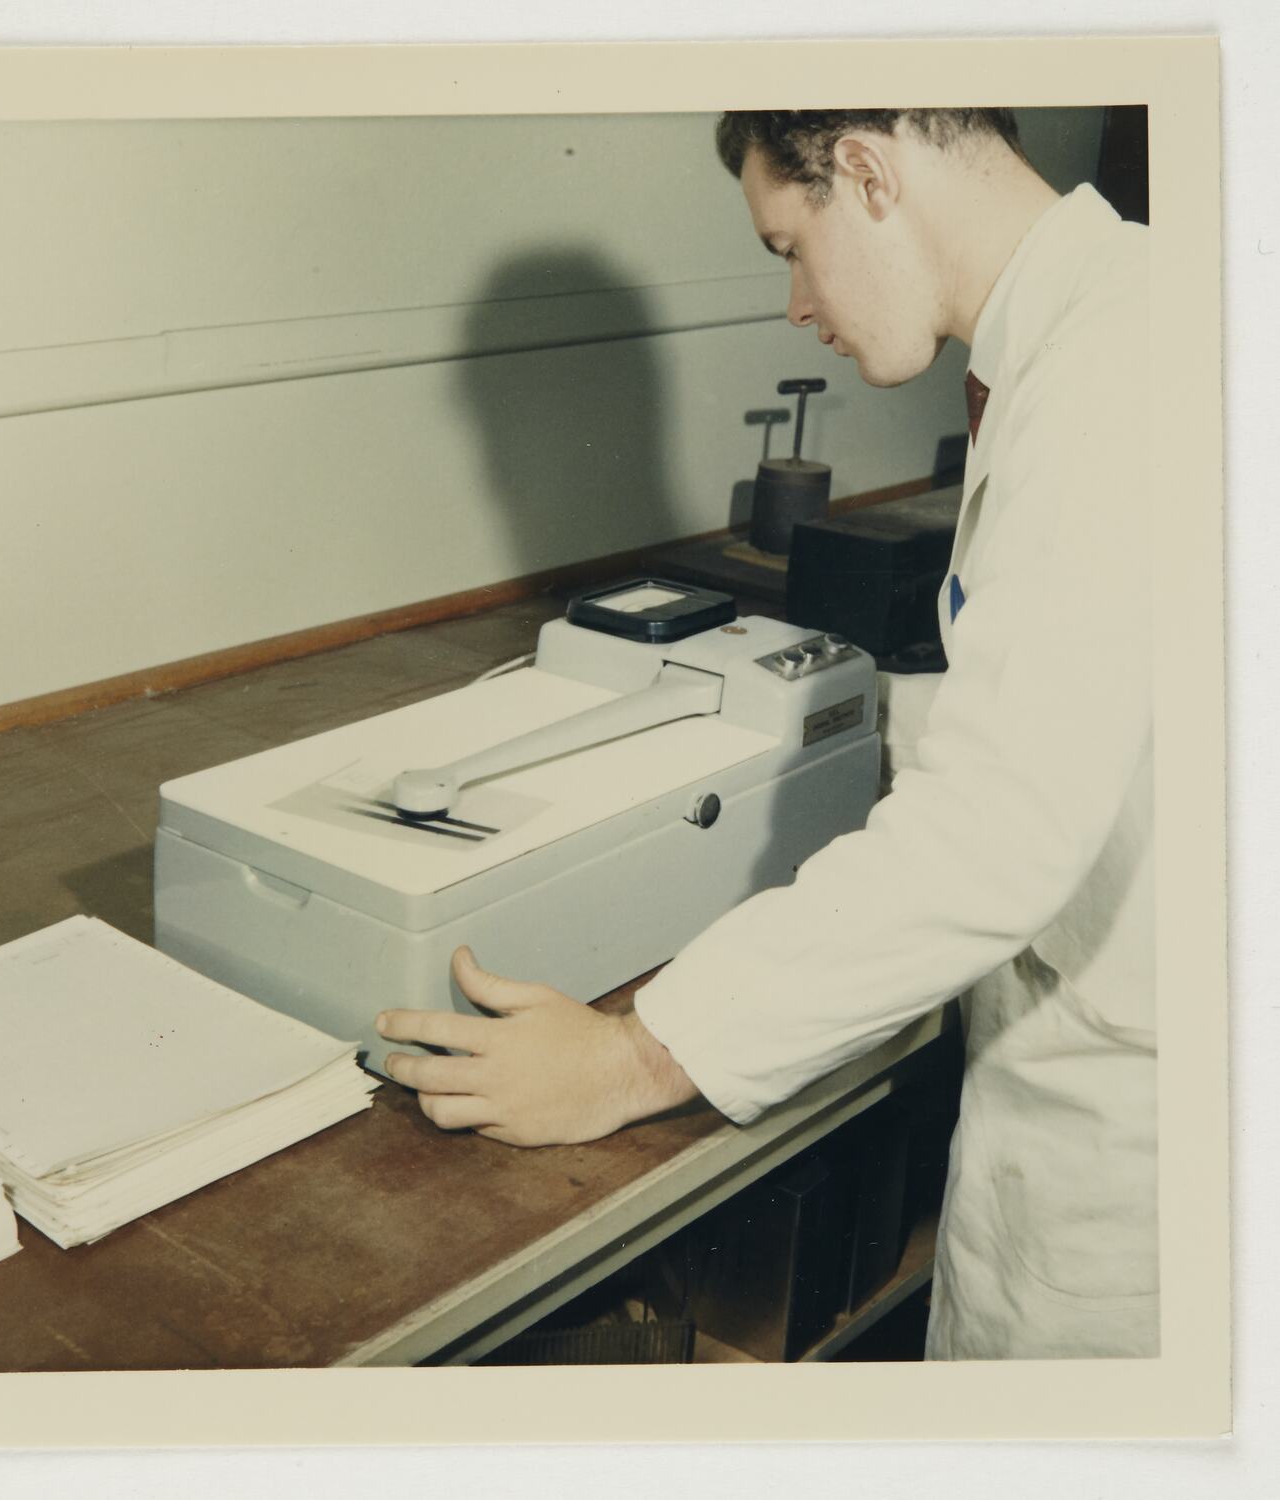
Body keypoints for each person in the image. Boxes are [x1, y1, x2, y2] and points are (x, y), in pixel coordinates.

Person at [377, 108, 1155, 1360]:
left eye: (790, 246)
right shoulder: (1119, 324)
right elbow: (1098, 703)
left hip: (1134, 1155)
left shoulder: (1109, 379)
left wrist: (634, 1057)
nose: (798, 304)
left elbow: (998, 835)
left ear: (865, 167)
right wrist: (821, 717)